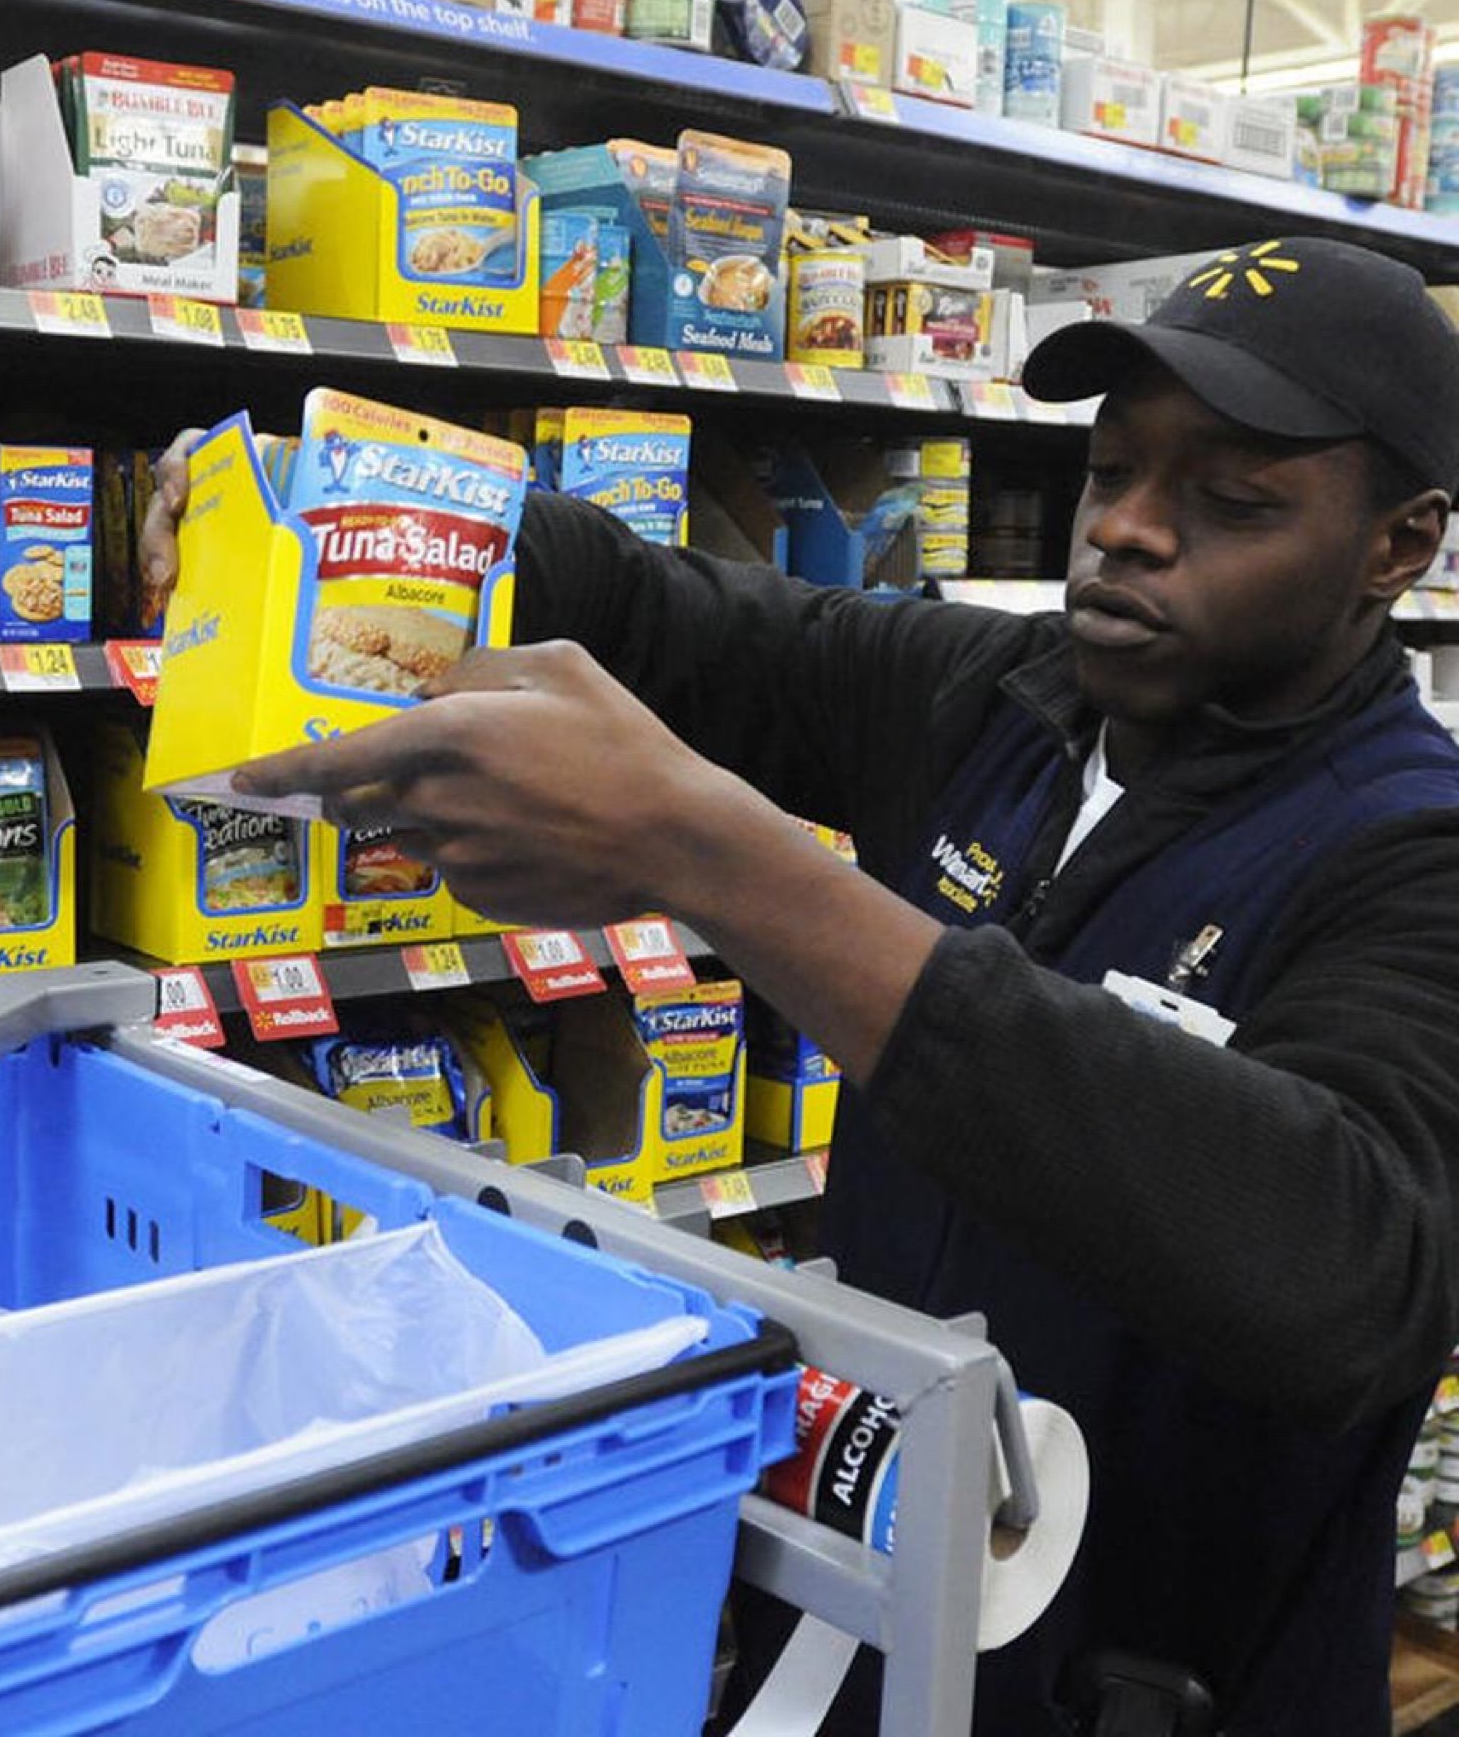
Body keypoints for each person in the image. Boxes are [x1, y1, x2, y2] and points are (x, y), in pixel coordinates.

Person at [141, 236, 1459, 1736]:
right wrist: (328, 504)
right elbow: (663, 614)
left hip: (1163, 1676)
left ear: (1398, 546)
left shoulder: (1411, 851)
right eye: (1112, 471)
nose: (1128, 531)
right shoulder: (999, 701)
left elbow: (1351, 1269)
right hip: (864, 1601)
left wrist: (723, 861)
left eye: (1231, 500)